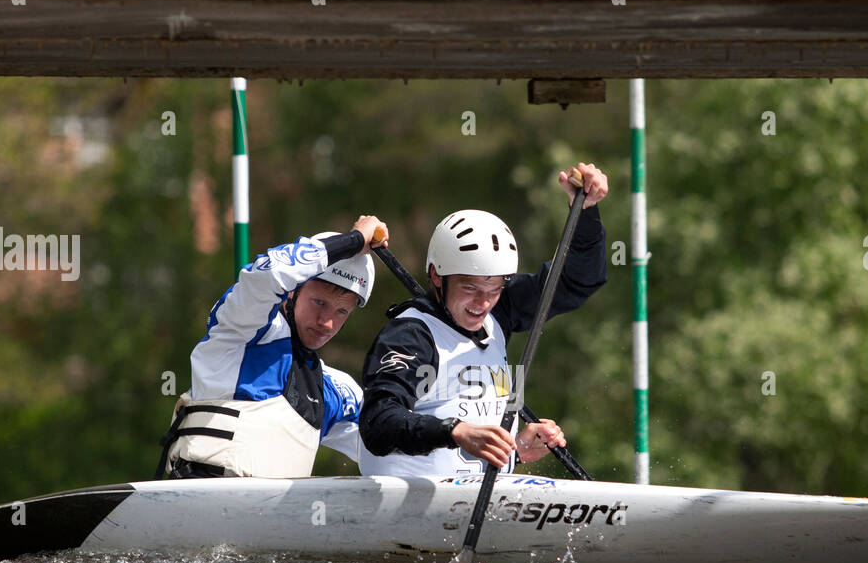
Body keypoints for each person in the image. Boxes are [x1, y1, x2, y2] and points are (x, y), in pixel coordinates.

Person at [358, 163, 609, 476]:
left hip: (478, 507)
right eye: (470, 287)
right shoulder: (410, 335)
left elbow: (575, 282)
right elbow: (377, 424)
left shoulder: (500, 312)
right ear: (436, 275)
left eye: (494, 288)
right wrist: (454, 431)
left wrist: (584, 213)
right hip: (410, 514)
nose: (483, 302)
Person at [157, 215, 387, 478]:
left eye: (342, 311)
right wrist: (354, 241)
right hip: (203, 505)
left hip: (278, 517)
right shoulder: (241, 331)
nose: (327, 322)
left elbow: (390, 441)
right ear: (293, 291)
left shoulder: (336, 389)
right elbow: (268, 273)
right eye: (319, 303)